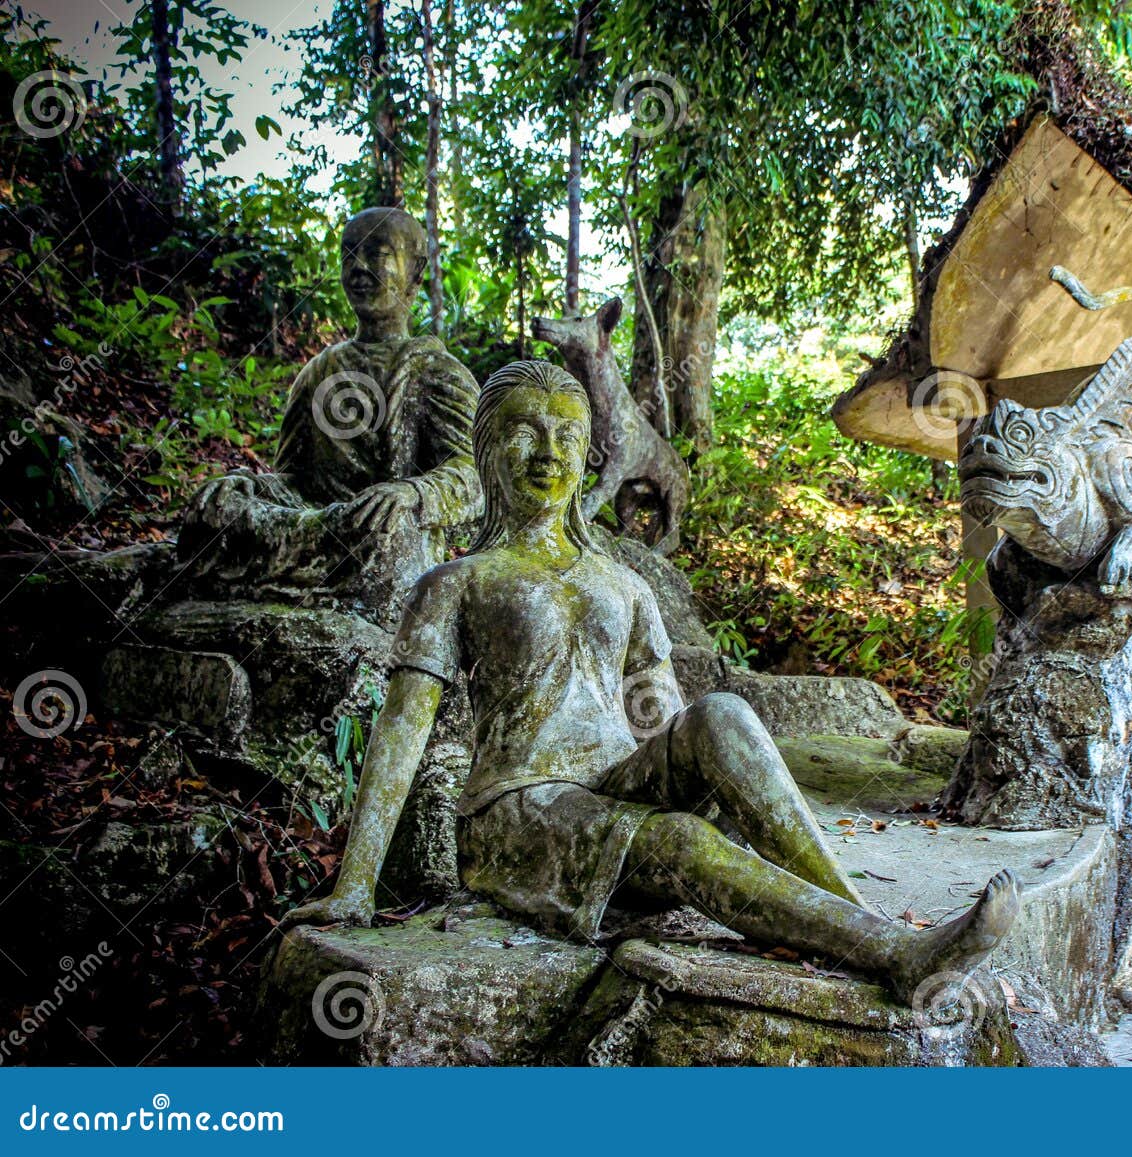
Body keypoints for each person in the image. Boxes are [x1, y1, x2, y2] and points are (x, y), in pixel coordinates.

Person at [284, 360, 1019, 1002]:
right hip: (522, 807)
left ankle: (858, 918)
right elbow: (403, 726)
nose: (548, 451)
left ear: (587, 452)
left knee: (722, 714)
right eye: (525, 431)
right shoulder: (457, 582)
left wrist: (706, 778)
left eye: (566, 434)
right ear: (485, 450)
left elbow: (666, 721)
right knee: (675, 843)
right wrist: (356, 880)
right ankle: (893, 954)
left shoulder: (623, 583)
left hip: (613, 777)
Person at [178, 207, 479, 619]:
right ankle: (281, 564)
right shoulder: (318, 371)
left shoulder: (437, 372)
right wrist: (251, 485)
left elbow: (476, 475)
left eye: (376, 253)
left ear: (415, 271)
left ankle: (272, 570)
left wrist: (413, 493)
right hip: (319, 525)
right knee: (222, 501)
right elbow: (294, 479)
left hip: (377, 538)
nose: (357, 267)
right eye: (348, 254)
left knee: (382, 534)